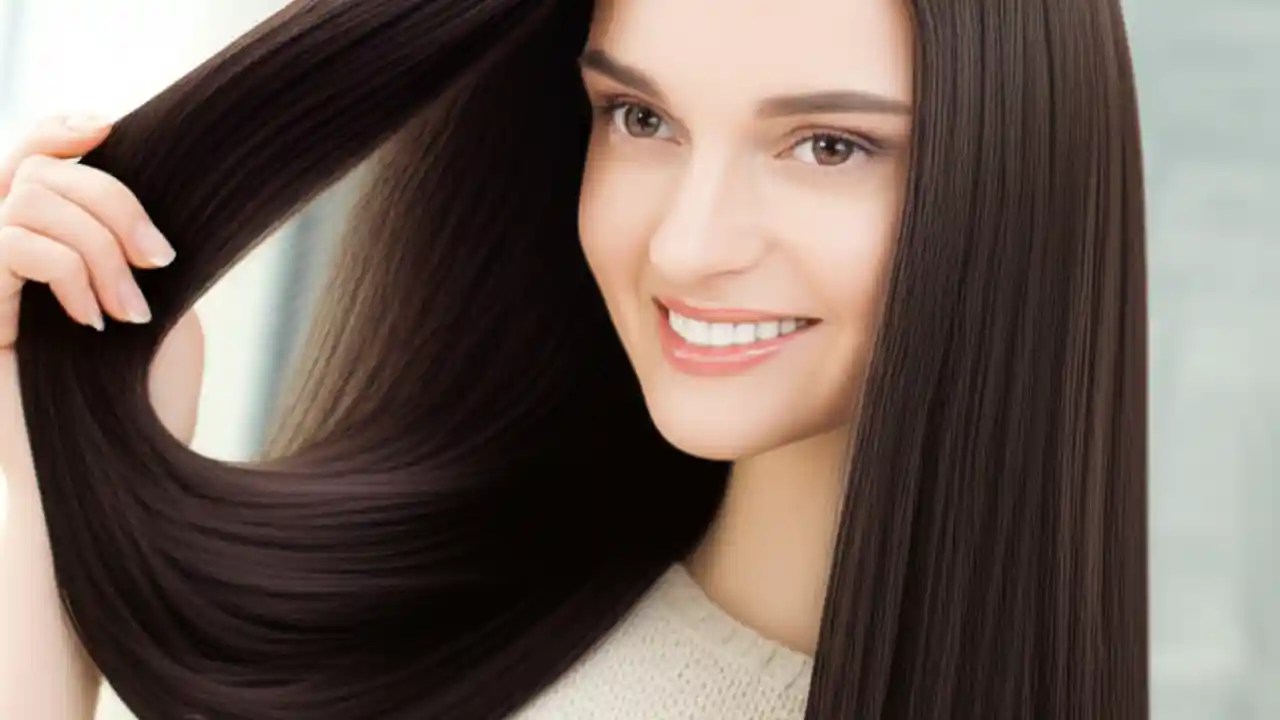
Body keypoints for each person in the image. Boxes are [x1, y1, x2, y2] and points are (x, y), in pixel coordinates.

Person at [0, 0, 1149, 717]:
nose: (688, 244)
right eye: (639, 120)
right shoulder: (450, 608)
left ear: (1017, 188)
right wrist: (43, 452)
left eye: (829, 145)